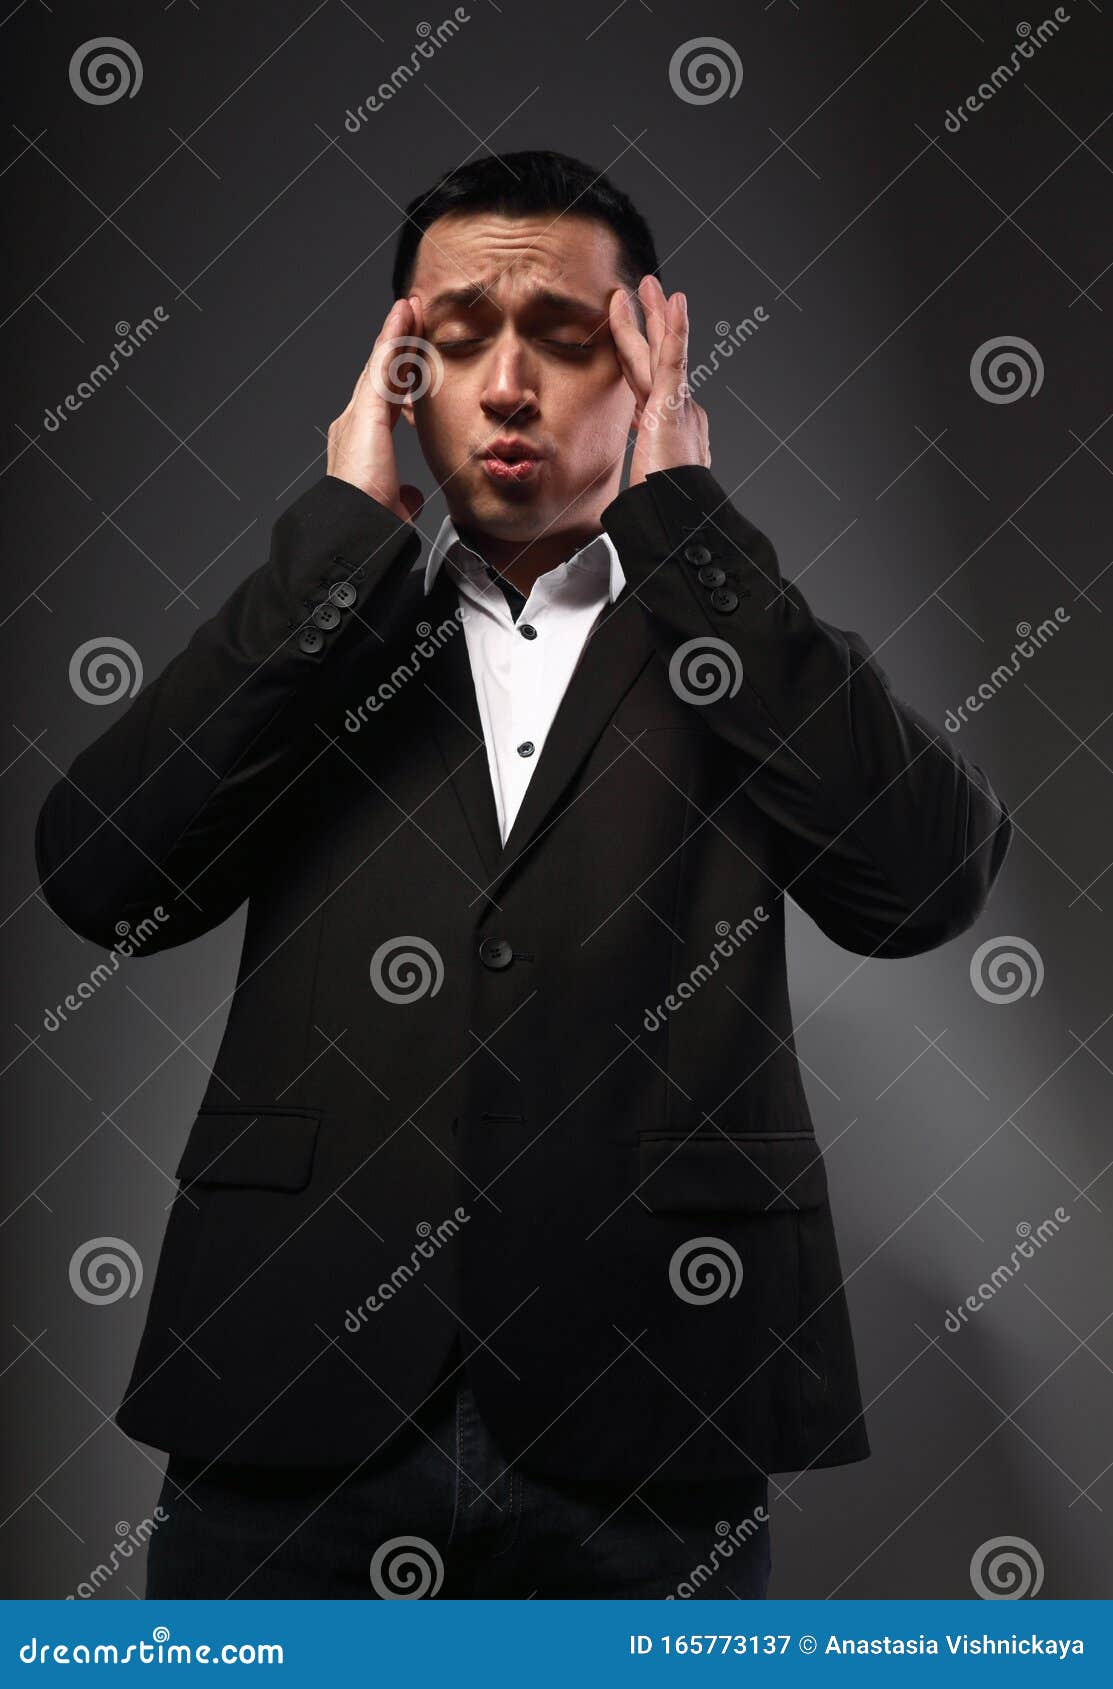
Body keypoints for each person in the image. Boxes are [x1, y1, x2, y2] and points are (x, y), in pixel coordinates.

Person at [34, 149, 1012, 1599]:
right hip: (295, 1385)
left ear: (645, 369)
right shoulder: (321, 650)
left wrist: (687, 527)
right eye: (452, 339)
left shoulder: (734, 657)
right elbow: (102, 876)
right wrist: (338, 547)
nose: (505, 385)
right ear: (396, 374)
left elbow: (923, 883)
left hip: (647, 1414)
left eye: (561, 338)